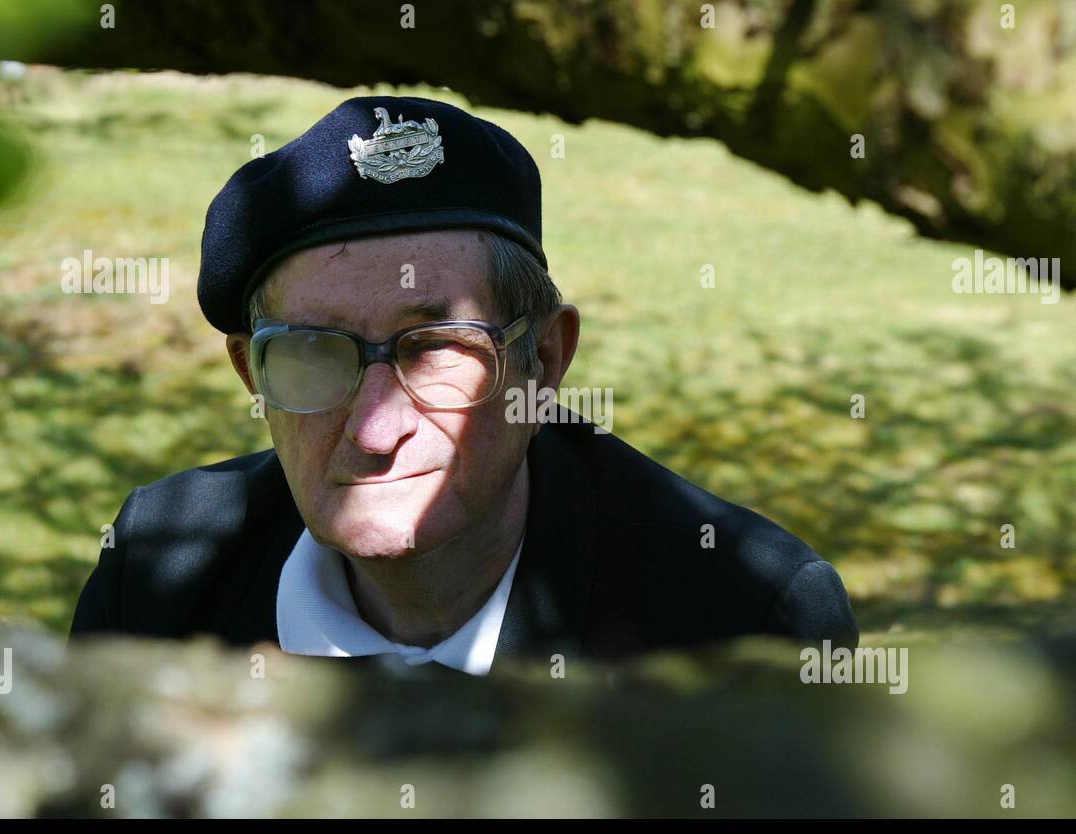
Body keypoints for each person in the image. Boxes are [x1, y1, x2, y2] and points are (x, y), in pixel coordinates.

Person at [69, 95, 858, 674]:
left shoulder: (741, 616)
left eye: (434, 349)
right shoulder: (162, 571)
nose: (377, 430)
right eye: (314, 353)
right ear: (252, 373)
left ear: (543, 363)